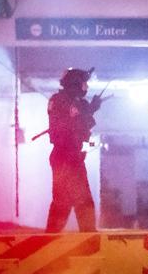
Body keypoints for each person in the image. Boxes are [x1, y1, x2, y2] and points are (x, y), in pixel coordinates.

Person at [44, 67, 104, 233]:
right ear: (76, 83)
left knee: (63, 201)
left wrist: (90, 108)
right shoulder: (62, 101)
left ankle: (51, 236)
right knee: (81, 200)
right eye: (85, 83)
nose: (87, 87)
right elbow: (72, 123)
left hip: (69, 157)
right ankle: (88, 238)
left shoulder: (67, 101)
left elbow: (80, 123)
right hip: (66, 157)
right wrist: (90, 109)